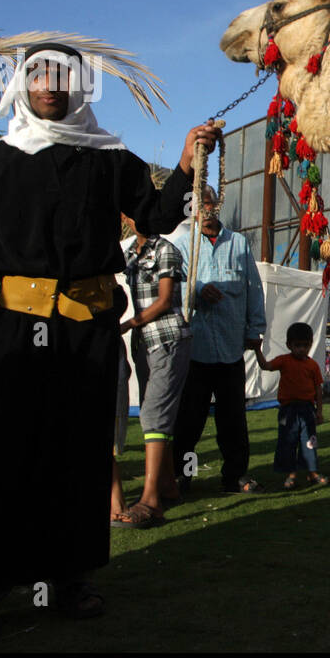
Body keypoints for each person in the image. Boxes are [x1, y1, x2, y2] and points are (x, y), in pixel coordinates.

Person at [0, 42, 220, 645]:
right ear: (22, 85)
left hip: (87, 333)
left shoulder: (108, 158)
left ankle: (72, 578)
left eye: (63, 74)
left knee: (78, 454)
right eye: (39, 74)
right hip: (13, 331)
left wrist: (189, 163)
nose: (51, 84)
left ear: (81, 86)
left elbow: (157, 216)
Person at [171, 185, 266, 494]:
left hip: (230, 346)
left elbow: (253, 287)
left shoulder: (238, 243)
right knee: (189, 419)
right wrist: (198, 289)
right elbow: (174, 285)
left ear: (217, 205)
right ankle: (181, 475)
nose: (206, 208)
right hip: (195, 346)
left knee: (233, 419)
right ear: (193, 209)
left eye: (210, 202)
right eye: (200, 204)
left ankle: (235, 476)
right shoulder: (184, 246)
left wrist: (255, 329)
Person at [113, 224, 190, 527]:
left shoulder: (165, 250)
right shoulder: (131, 253)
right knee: (156, 414)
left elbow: (165, 299)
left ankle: (150, 501)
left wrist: (129, 323)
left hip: (166, 338)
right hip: (146, 342)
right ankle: (168, 486)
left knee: (153, 415)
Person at [257, 321, 327, 488]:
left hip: (308, 410)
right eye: (297, 345)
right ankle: (291, 474)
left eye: (305, 345)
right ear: (289, 345)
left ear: (311, 344)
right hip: (288, 410)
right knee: (288, 442)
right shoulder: (284, 361)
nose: (301, 349)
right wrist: (256, 350)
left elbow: (318, 389)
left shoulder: (313, 366)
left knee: (309, 441)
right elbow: (265, 366)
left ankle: (312, 473)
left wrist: (319, 411)